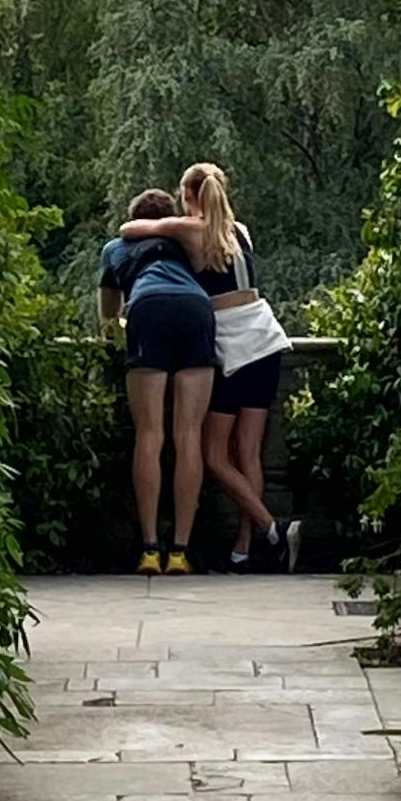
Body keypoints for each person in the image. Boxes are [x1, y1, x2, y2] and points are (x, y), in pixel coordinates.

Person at [180, 160, 294, 571]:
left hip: (232, 349)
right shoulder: (240, 231)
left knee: (213, 455)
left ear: (187, 195)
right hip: (265, 338)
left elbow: (133, 230)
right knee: (249, 454)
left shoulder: (191, 230)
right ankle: (245, 549)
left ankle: (273, 527)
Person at [97, 187, 217, 574]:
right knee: (189, 435)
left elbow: (109, 316)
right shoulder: (186, 238)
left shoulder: (116, 248)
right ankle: (180, 551)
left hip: (147, 309)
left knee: (149, 434)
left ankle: (150, 548)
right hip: (196, 311)